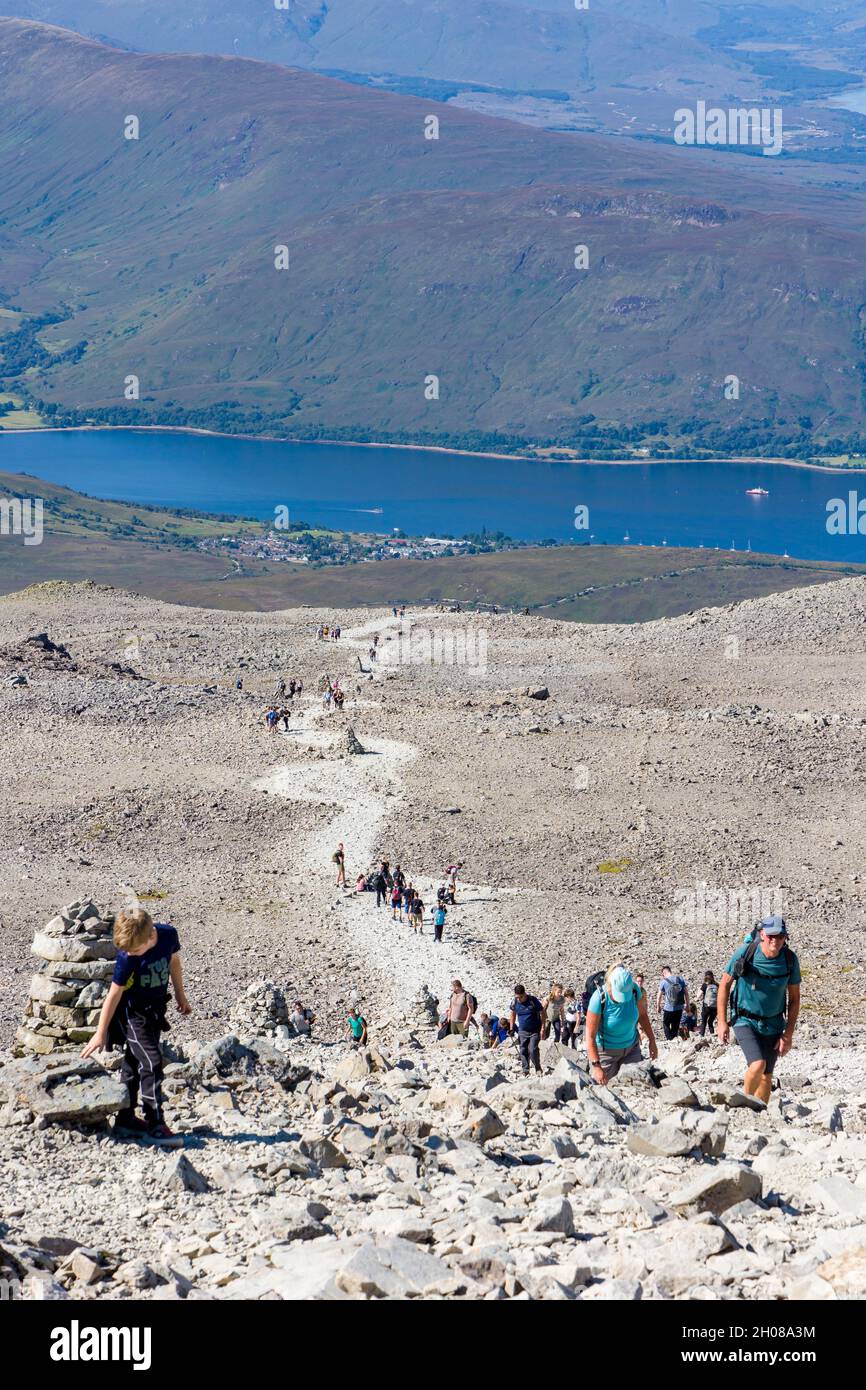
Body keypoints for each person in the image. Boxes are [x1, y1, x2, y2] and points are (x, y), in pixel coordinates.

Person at [81, 907, 191, 1141]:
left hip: (156, 1009)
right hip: (133, 1014)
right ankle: (156, 1122)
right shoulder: (126, 957)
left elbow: (174, 963)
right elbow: (113, 995)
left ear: (151, 936)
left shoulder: (168, 935)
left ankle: (125, 1118)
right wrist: (100, 1033)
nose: (131, 954)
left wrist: (181, 995)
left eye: (136, 950)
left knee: (133, 1061)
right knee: (151, 1061)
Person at [716, 915, 801, 1104]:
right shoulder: (746, 953)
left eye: (780, 936)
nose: (775, 940)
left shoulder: (790, 960)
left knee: (767, 1076)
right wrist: (722, 1022)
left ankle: (759, 1113)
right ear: (762, 934)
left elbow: (795, 999)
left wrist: (788, 1034)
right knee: (758, 1064)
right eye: (771, 935)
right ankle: (741, 1104)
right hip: (745, 1019)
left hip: (774, 1023)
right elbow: (724, 984)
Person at [586, 964, 657, 1086]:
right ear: (610, 985)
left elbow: (643, 1016)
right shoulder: (598, 998)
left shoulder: (634, 990)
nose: (623, 999)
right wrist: (596, 1066)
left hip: (631, 1048)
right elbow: (590, 1036)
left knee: (636, 1087)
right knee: (608, 1091)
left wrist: (652, 1040)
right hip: (606, 1053)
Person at [509, 985, 544, 1075]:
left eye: (520, 997)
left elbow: (542, 1012)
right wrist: (511, 1028)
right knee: (523, 1050)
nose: (519, 999)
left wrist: (543, 1027)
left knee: (533, 1050)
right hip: (522, 1030)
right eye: (517, 997)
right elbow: (513, 1015)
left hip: (535, 1030)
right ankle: (525, 1070)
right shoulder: (514, 1002)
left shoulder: (532, 1000)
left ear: (524, 994)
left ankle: (537, 1067)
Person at [656, 965, 689, 1040]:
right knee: (675, 1025)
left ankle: (669, 1040)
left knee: (666, 1024)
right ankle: (674, 1039)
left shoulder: (663, 982)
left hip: (668, 1008)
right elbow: (686, 993)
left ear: (664, 973)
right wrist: (688, 1006)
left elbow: (659, 996)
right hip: (679, 1007)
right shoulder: (680, 979)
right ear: (670, 971)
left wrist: (658, 1006)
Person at [700, 970, 719, 1036]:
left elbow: (698, 995)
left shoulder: (705, 985)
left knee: (703, 1022)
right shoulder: (717, 985)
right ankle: (712, 1035)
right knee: (710, 1022)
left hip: (706, 1007)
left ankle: (701, 1036)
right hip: (715, 1008)